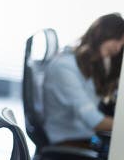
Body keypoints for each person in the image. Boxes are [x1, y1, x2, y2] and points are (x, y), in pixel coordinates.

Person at [43, 13, 124, 149]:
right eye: (117, 41)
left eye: (122, 45)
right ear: (102, 34)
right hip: (68, 142)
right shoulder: (65, 67)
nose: (118, 48)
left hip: (84, 136)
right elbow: (94, 120)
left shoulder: (89, 64)